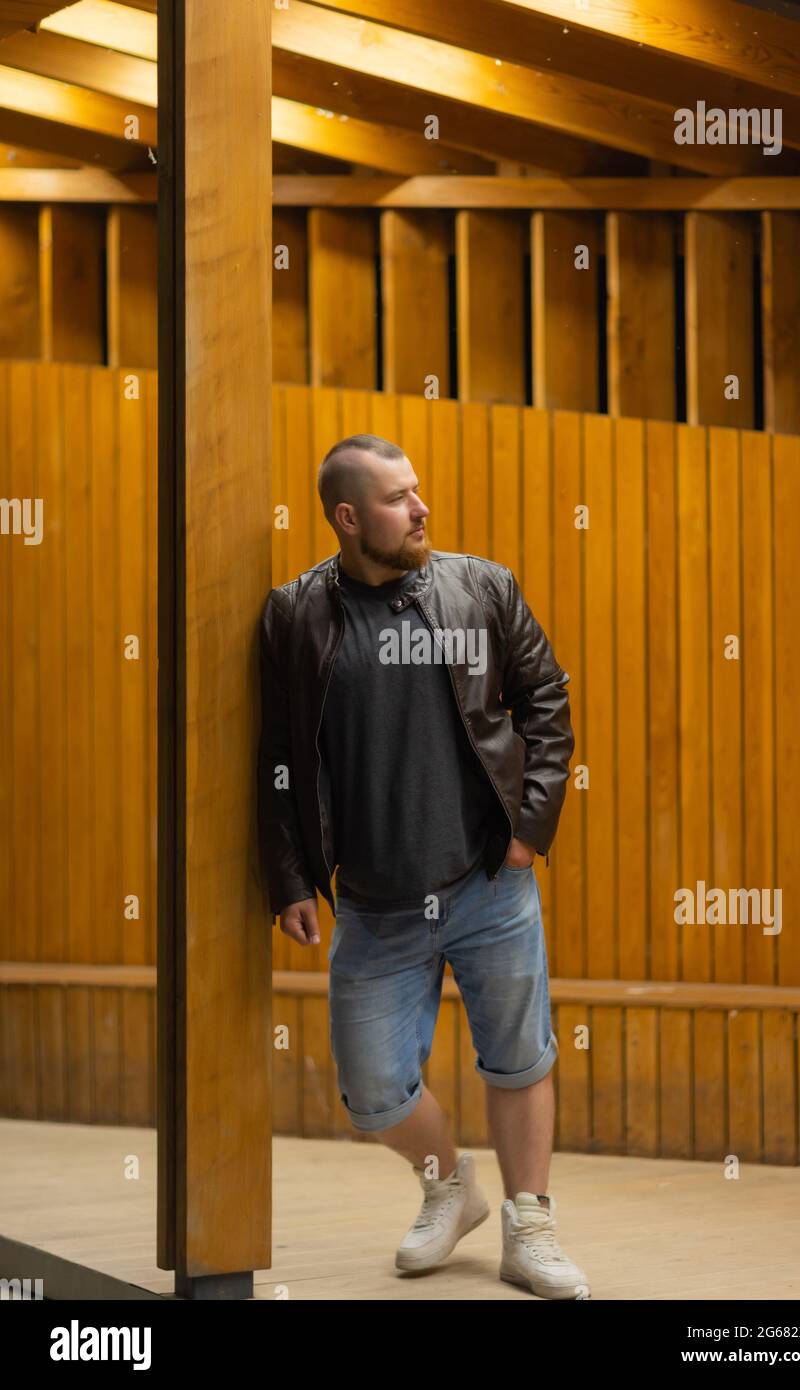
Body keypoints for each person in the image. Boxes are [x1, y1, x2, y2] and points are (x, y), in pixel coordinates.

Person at [257, 433, 590, 1300]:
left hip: (488, 879)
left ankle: (531, 1225)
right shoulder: (294, 615)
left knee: (518, 1057)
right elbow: (277, 755)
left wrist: (530, 826)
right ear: (347, 517)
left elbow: (546, 701)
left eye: (418, 490)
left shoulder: (480, 587)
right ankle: (450, 1186)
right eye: (399, 498)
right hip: (373, 903)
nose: (421, 508)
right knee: (370, 1091)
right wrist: (289, 876)